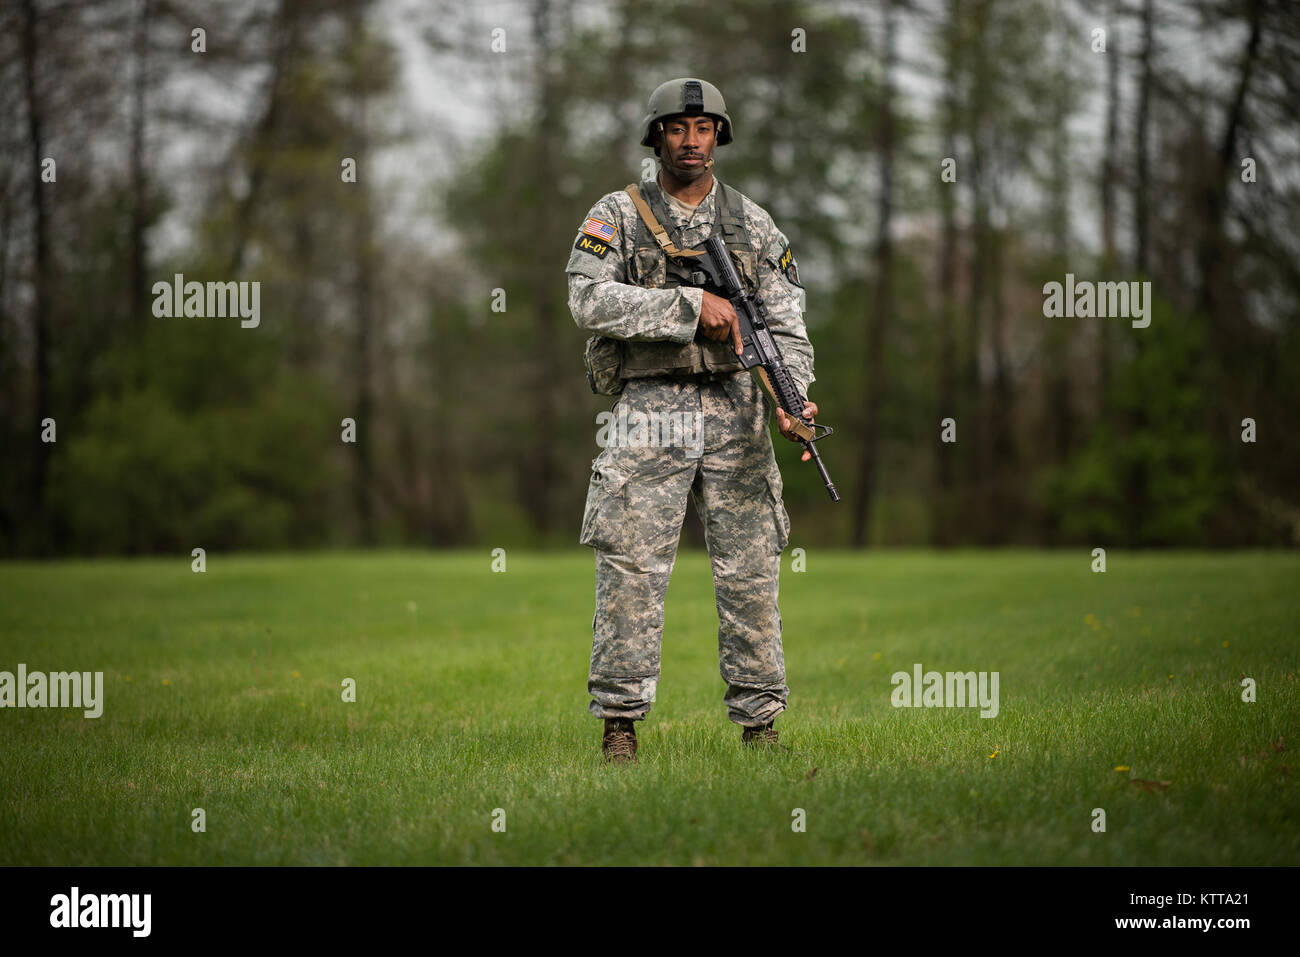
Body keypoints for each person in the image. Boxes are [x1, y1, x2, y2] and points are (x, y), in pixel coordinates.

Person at [567, 77, 818, 764]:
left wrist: (796, 401)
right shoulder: (617, 214)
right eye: (677, 128)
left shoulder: (753, 225)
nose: (691, 140)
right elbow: (585, 299)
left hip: (738, 408)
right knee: (630, 565)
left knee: (751, 569)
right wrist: (686, 308)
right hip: (650, 408)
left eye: (704, 128)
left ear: (719, 137)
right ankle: (619, 725)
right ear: (656, 137)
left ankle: (761, 726)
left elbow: (786, 328)